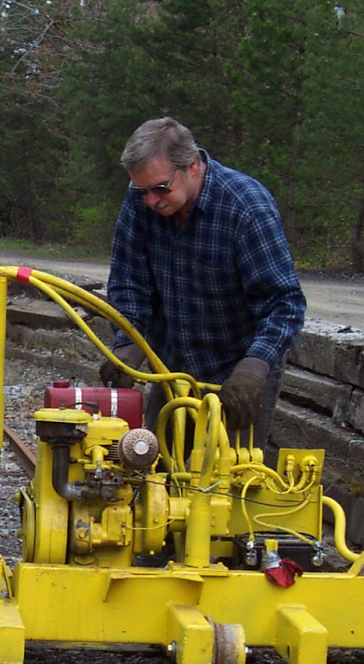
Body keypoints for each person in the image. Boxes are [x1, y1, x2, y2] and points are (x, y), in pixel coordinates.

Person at [101, 117, 306, 446]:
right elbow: (129, 283)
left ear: (192, 166)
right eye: (142, 190)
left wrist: (254, 369)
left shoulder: (246, 207)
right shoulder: (141, 200)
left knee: (233, 478)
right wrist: (128, 349)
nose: (151, 200)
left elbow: (283, 304)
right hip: (171, 368)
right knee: (157, 471)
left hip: (237, 367)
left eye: (161, 188)